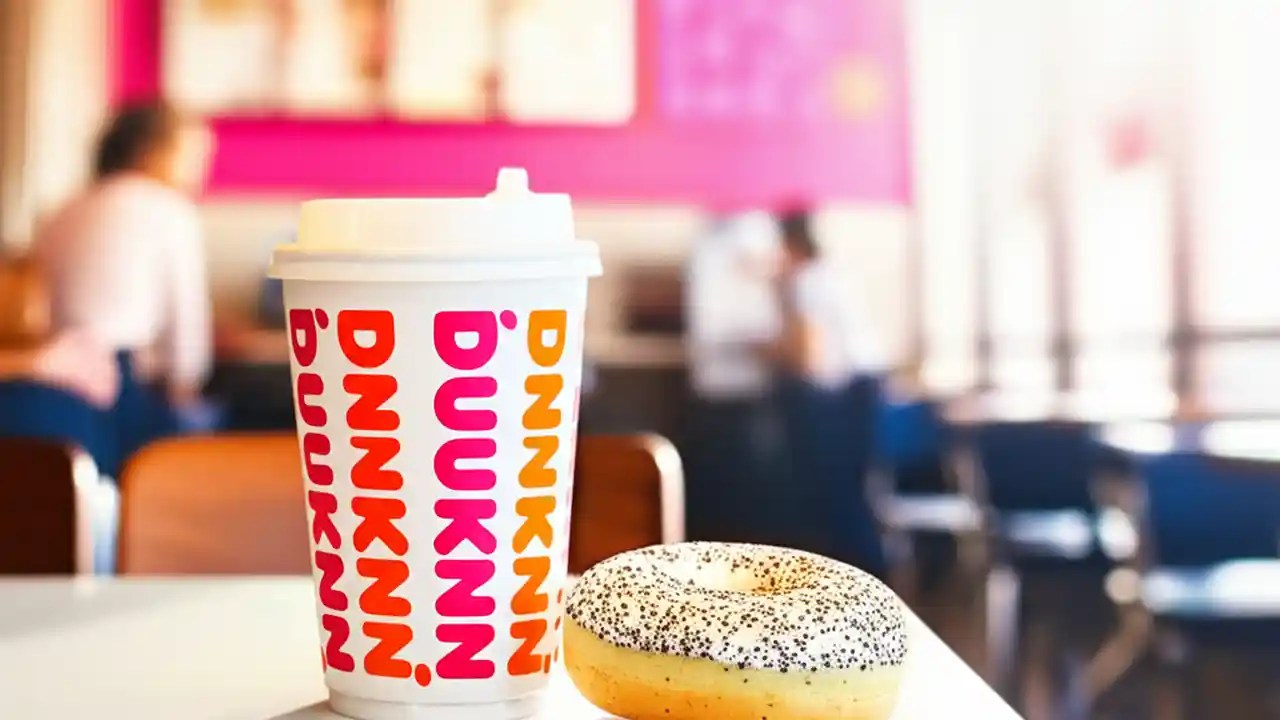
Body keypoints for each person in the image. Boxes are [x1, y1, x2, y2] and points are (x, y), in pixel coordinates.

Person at [33, 102, 215, 457]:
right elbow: (186, 321)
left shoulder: (63, 210)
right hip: (121, 379)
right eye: (193, 156)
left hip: (53, 376)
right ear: (152, 152)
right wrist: (186, 387)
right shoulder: (169, 209)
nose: (201, 170)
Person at [767, 210, 889, 577]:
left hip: (839, 397)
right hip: (865, 388)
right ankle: (868, 574)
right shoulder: (834, 274)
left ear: (788, 244)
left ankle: (857, 575)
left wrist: (764, 349)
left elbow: (807, 354)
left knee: (836, 492)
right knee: (853, 489)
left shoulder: (806, 280)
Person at [684, 212, 788, 543]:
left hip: (738, 393)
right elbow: (719, 333)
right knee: (734, 494)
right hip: (730, 395)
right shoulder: (720, 254)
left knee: (737, 491)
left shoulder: (719, 250)